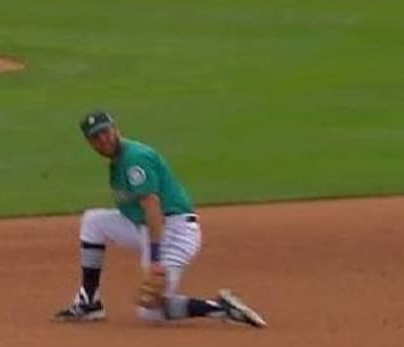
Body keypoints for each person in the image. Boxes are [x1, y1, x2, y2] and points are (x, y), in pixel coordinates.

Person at [53, 111, 266, 328]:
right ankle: (90, 301)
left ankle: (221, 307)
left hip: (173, 231)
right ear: (90, 143)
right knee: (93, 221)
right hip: (146, 227)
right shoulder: (119, 160)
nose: (103, 139)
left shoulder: (135, 160)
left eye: (105, 132)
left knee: (151, 311)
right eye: (96, 137)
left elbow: (153, 209)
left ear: (116, 129)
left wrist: (155, 260)